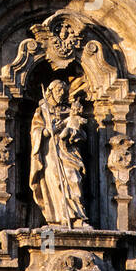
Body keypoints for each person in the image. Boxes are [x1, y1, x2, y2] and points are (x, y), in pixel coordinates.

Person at [28, 80, 90, 228]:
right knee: (55, 182)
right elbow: (36, 132)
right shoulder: (42, 111)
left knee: (73, 178)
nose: (61, 93)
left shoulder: (69, 111)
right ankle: (57, 219)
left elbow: (81, 133)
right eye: (58, 90)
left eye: (63, 90)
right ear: (50, 91)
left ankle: (78, 217)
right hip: (49, 152)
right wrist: (49, 130)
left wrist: (73, 131)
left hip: (68, 151)